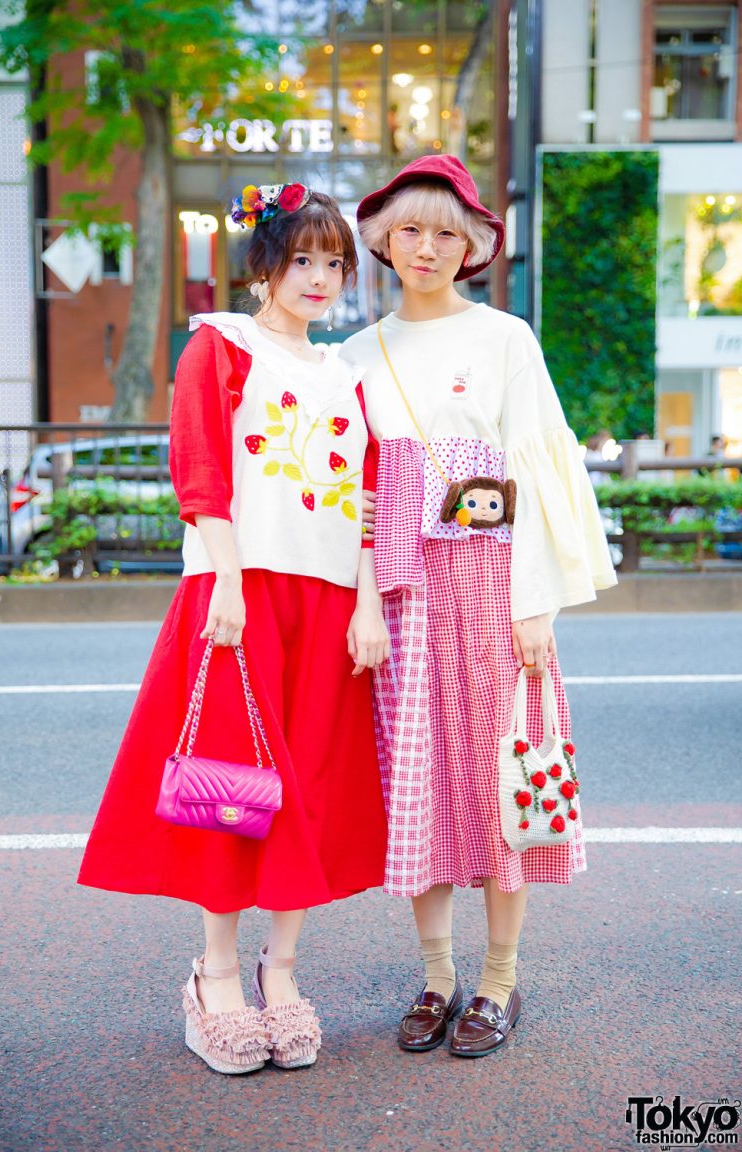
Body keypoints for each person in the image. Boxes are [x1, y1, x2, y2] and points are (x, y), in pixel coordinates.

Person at [78, 183, 390, 1075]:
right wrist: (222, 571)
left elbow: (364, 500)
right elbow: (201, 464)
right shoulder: (221, 343)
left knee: (314, 786)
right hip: (239, 589)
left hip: (330, 599)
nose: (321, 278)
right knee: (230, 787)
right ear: (267, 262)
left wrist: (368, 598)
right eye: (304, 259)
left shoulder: (343, 373)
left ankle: (280, 973)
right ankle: (214, 979)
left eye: (335, 263)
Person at [339, 155, 616, 1058]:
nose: (427, 247)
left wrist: (536, 603)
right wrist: (366, 594)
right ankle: (436, 976)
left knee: (503, 782)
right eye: (410, 230)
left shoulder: (506, 339)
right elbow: (351, 491)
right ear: (381, 239)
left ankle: (499, 982)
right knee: (417, 782)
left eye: (448, 233)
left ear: (474, 247)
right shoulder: (354, 356)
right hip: (407, 593)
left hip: (495, 583)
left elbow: (535, 469)